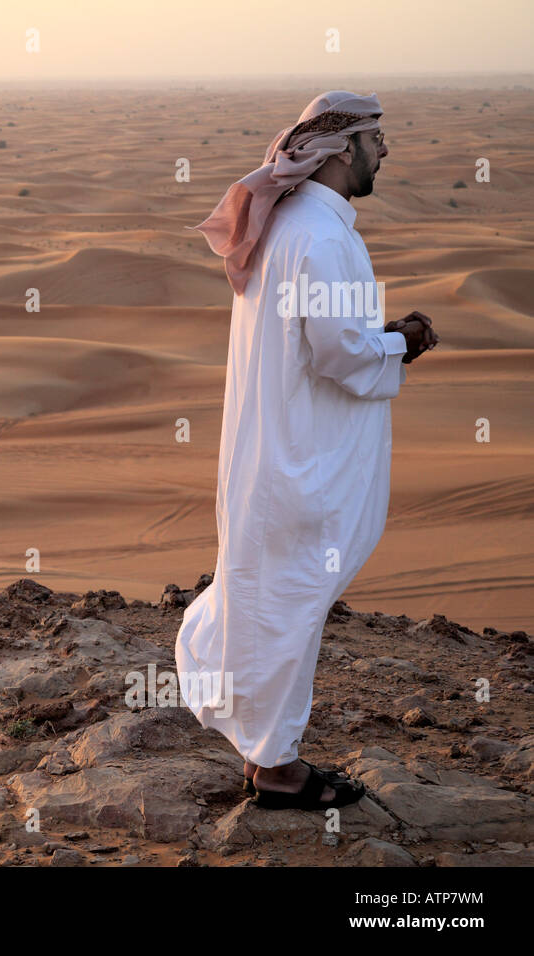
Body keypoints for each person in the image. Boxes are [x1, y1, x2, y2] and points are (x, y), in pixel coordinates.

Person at [175, 91, 440, 810]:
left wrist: (374, 335)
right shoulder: (317, 237)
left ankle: (266, 753)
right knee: (288, 602)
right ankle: (280, 769)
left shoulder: (296, 226)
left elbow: (323, 336)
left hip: (281, 451)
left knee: (276, 598)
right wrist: (402, 341)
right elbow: (334, 352)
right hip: (301, 462)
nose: (385, 151)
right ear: (341, 149)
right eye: (375, 138)